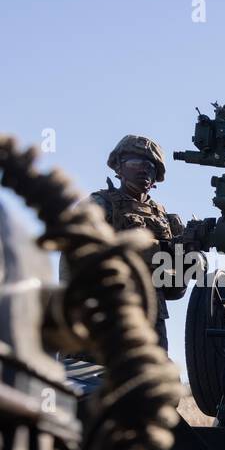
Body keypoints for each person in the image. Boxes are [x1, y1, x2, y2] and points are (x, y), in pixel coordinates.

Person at [62, 135, 186, 349]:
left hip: (151, 318)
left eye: (150, 166)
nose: (143, 170)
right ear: (119, 167)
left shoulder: (165, 218)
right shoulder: (98, 205)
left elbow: (174, 288)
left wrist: (187, 259)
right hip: (103, 313)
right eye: (135, 163)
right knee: (92, 378)